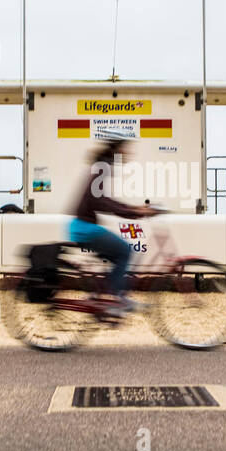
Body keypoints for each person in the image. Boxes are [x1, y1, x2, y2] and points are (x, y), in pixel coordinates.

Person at [69, 133, 158, 315]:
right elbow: (99, 200)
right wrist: (134, 211)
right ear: (117, 150)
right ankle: (118, 300)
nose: (128, 154)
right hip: (85, 229)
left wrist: (134, 210)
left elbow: (102, 200)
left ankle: (100, 294)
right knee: (124, 251)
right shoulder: (104, 168)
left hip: (82, 226)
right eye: (125, 150)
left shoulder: (102, 167)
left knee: (117, 258)